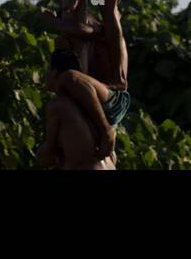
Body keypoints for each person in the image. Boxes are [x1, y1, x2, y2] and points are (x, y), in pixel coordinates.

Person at [42, 11, 130, 160]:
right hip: (91, 94)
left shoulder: (109, 36)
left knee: (70, 77)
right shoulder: (79, 46)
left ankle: (106, 131)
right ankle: (51, 147)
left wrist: (53, 22)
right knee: (59, 99)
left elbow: (83, 30)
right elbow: (51, 85)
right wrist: (60, 53)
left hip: (114, 99)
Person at [37, 46, 117, 170]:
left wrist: (43, 151)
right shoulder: (95, 107)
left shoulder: (57, 106)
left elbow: (48, 154)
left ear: (54, 72)